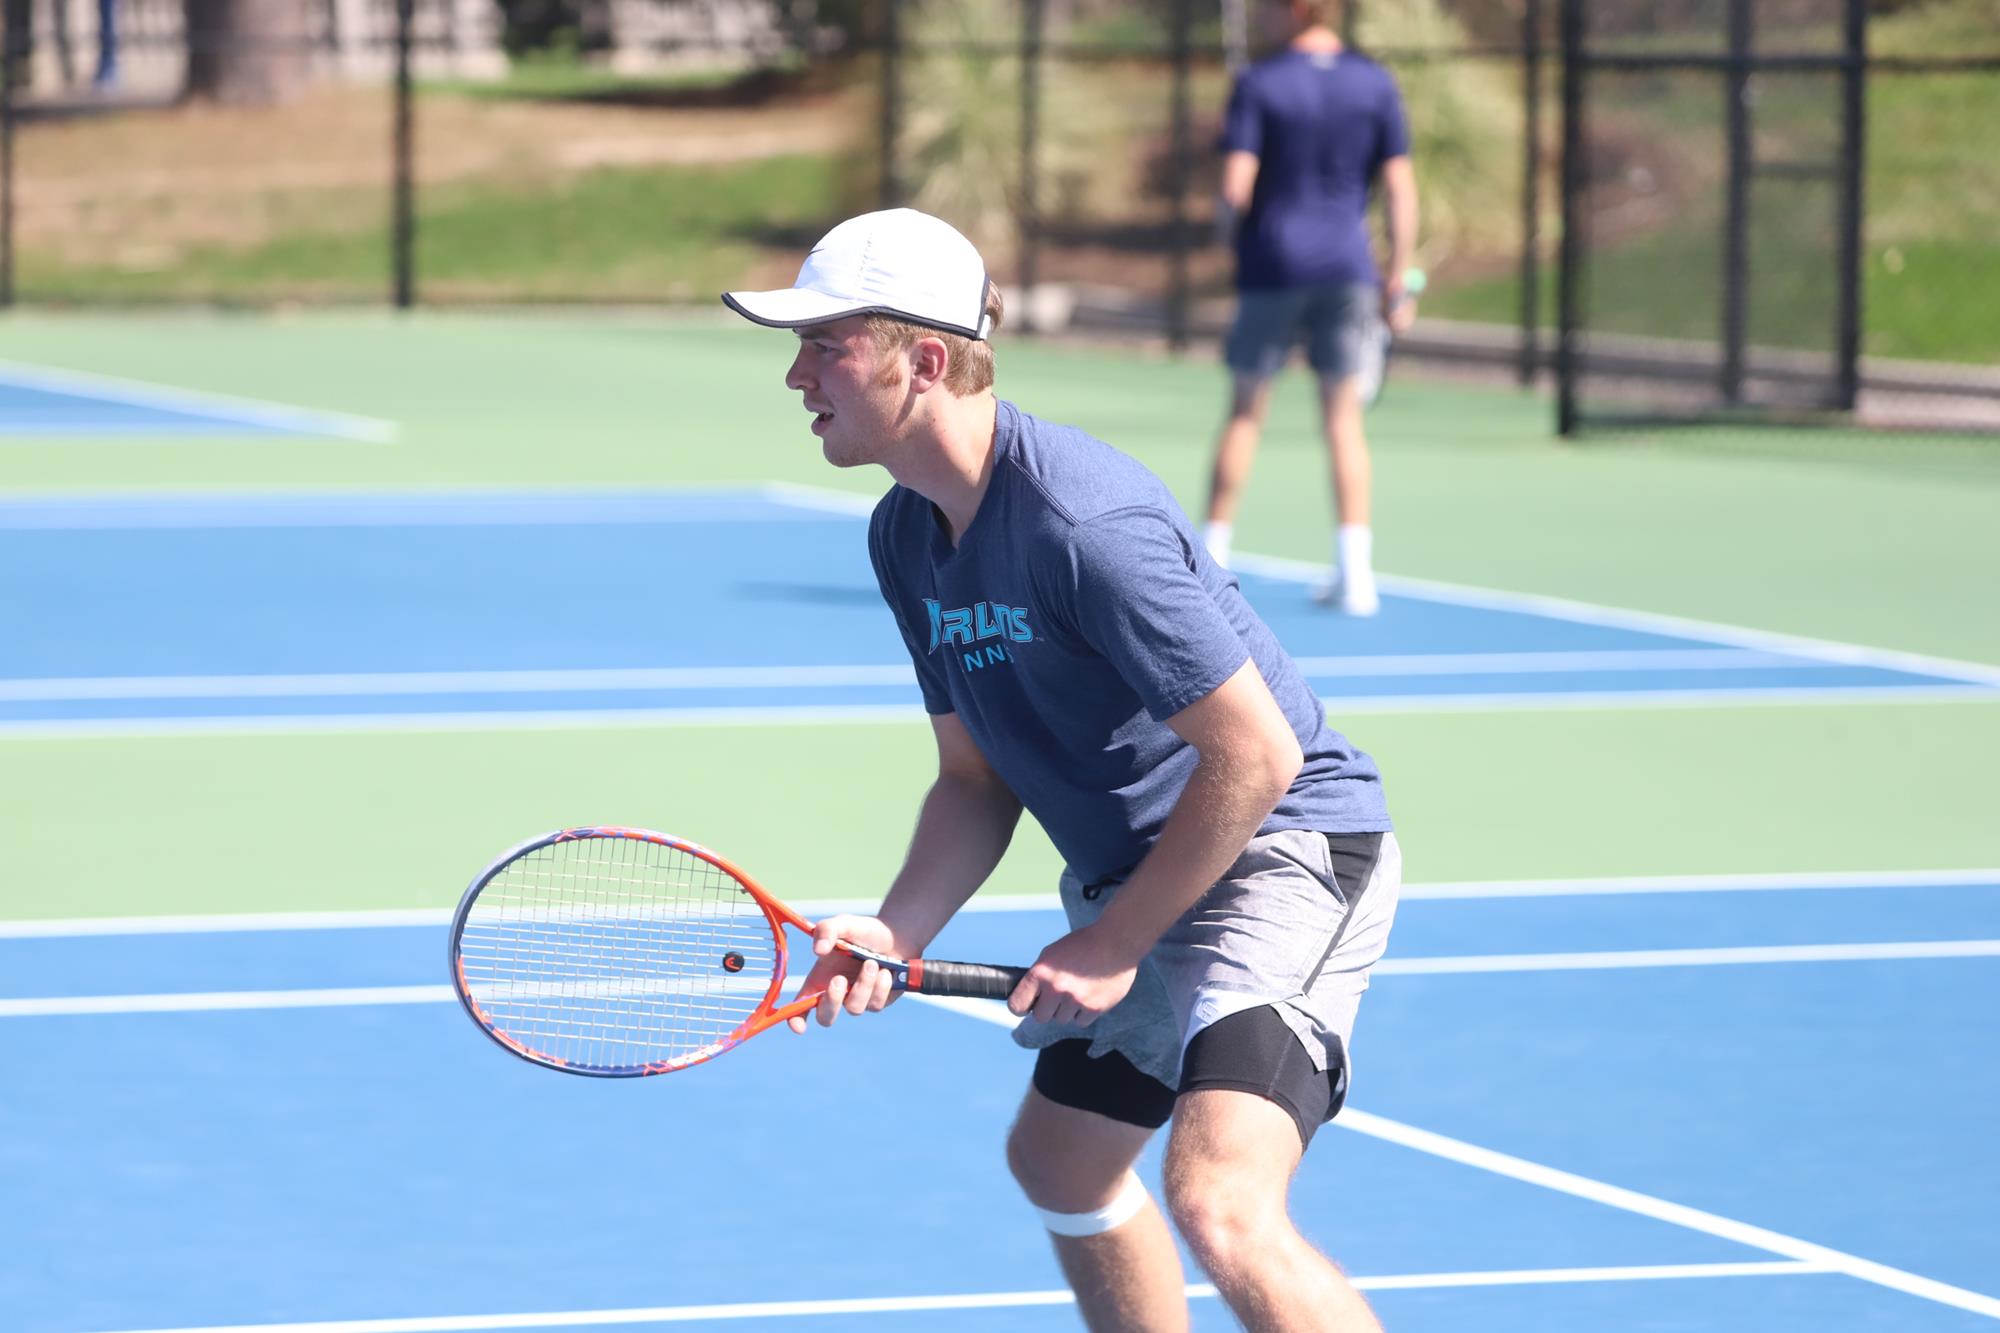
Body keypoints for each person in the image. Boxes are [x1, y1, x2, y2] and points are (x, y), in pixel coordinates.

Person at [722, 207, 1402, 1333]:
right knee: (1061, 1162)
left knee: (1221, 1202)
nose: (797, 375)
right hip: (1139, 871)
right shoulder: (904, 535)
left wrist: (1112, 940)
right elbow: (972, 782)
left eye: (825, 344)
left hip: (1277, 851)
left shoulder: (1083, 523)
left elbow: (1256, 754)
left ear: (924, 361)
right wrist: (898, 930)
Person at [1202, 0, 1421, 617]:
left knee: (1245, 412)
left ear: (1298, 8)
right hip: (1349, 269)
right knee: (1344, 420)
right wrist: (1395, 276)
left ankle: (1210, 563)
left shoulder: (1259, 84)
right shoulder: (1374, 82)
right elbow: (1401, 188)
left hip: (1273, 268)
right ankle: (1357, 577)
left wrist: (1230, 250)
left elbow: (1233, 190)